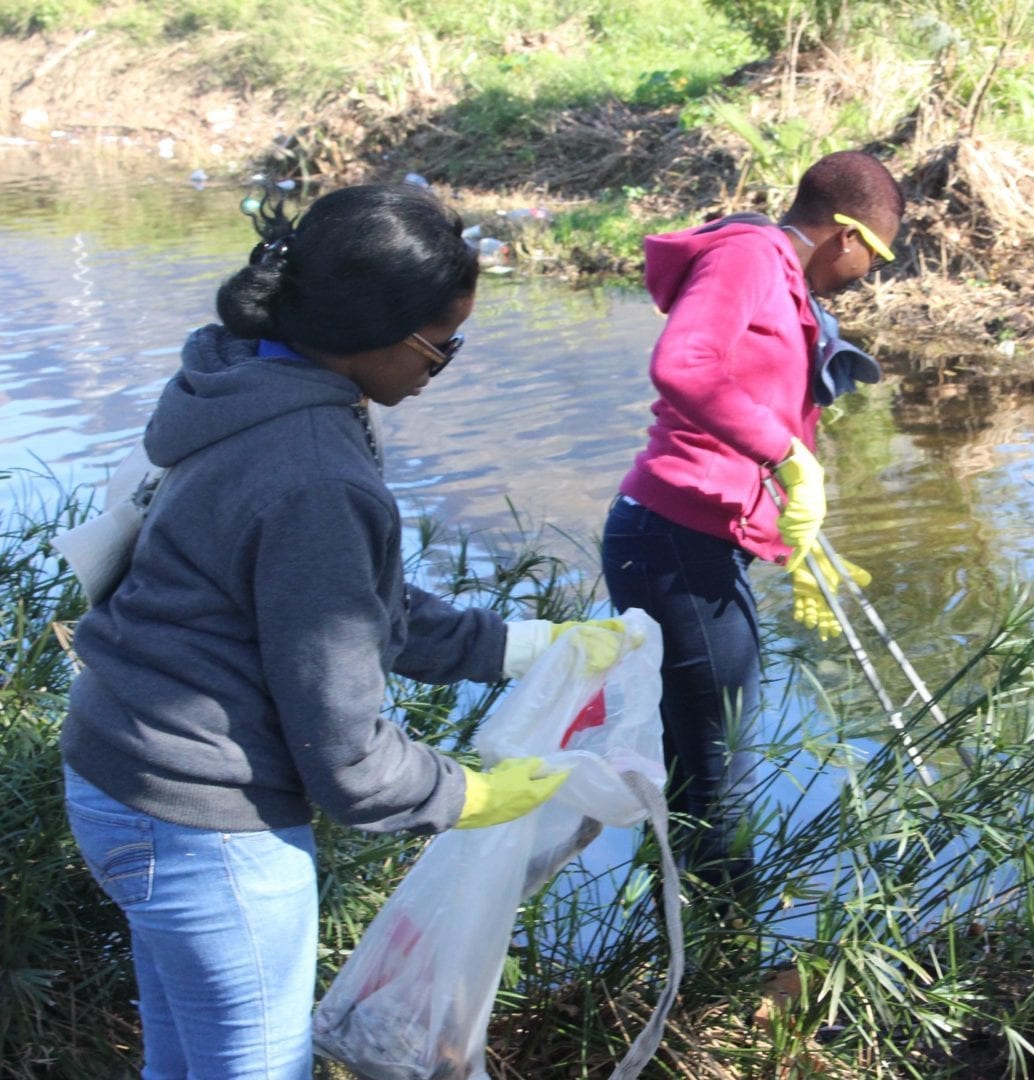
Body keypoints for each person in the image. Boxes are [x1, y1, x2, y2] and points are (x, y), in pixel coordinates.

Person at [59, 182, 624, 1080]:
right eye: (443, 350)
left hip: (116, 770)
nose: (444, 369)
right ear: (380, 337)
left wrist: (520, 649)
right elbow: (351, 764)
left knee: (185, 1059)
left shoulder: (246, 379)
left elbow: (351, 607)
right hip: (204, 819)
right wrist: (470, 796)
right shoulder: (317, 475)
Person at [600, 150, 904, 900]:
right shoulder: (747, 256)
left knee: (702, 766)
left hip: (691, 539)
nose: (869, 272)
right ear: (846, 234)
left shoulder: (779, 278)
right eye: (878, 254)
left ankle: (688, 953)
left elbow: (746, 408)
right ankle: (725, 956)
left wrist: (795, 542)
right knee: (723, 768)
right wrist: (790, 460)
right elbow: (685, 365)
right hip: (671, 540)